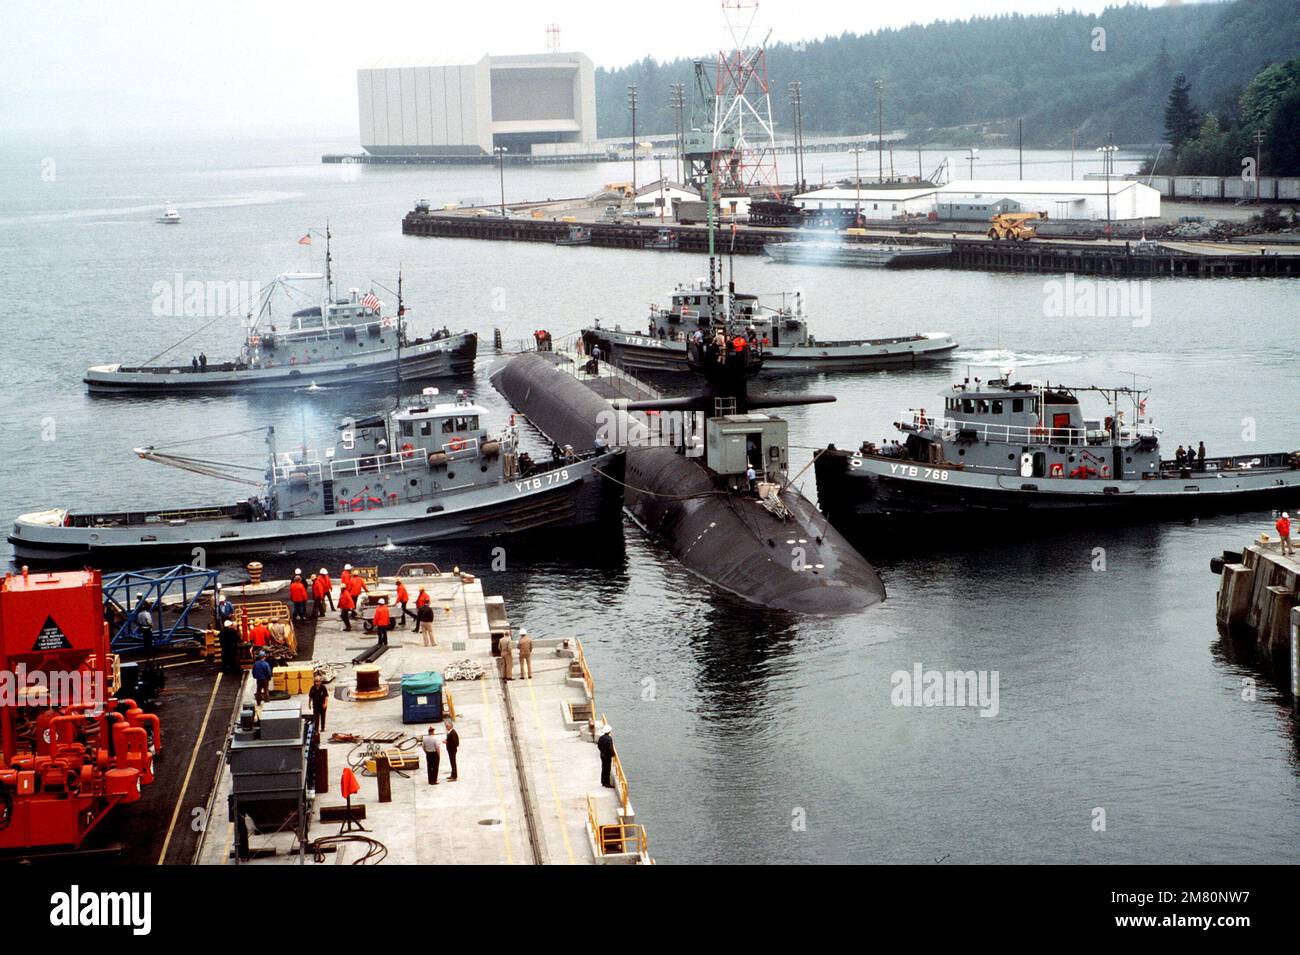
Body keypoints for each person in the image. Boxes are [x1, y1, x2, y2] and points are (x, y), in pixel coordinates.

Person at [597, 724, 615, 788]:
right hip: (607, 756)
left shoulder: (601, 737)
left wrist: (602, 751)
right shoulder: (609, 738)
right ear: (609, 731)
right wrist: (613, 754)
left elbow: (598, 746)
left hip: (602, 755)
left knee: (603, 768)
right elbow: (610, 748)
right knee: (607, 769)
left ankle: (603, 782)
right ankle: (607, 783)